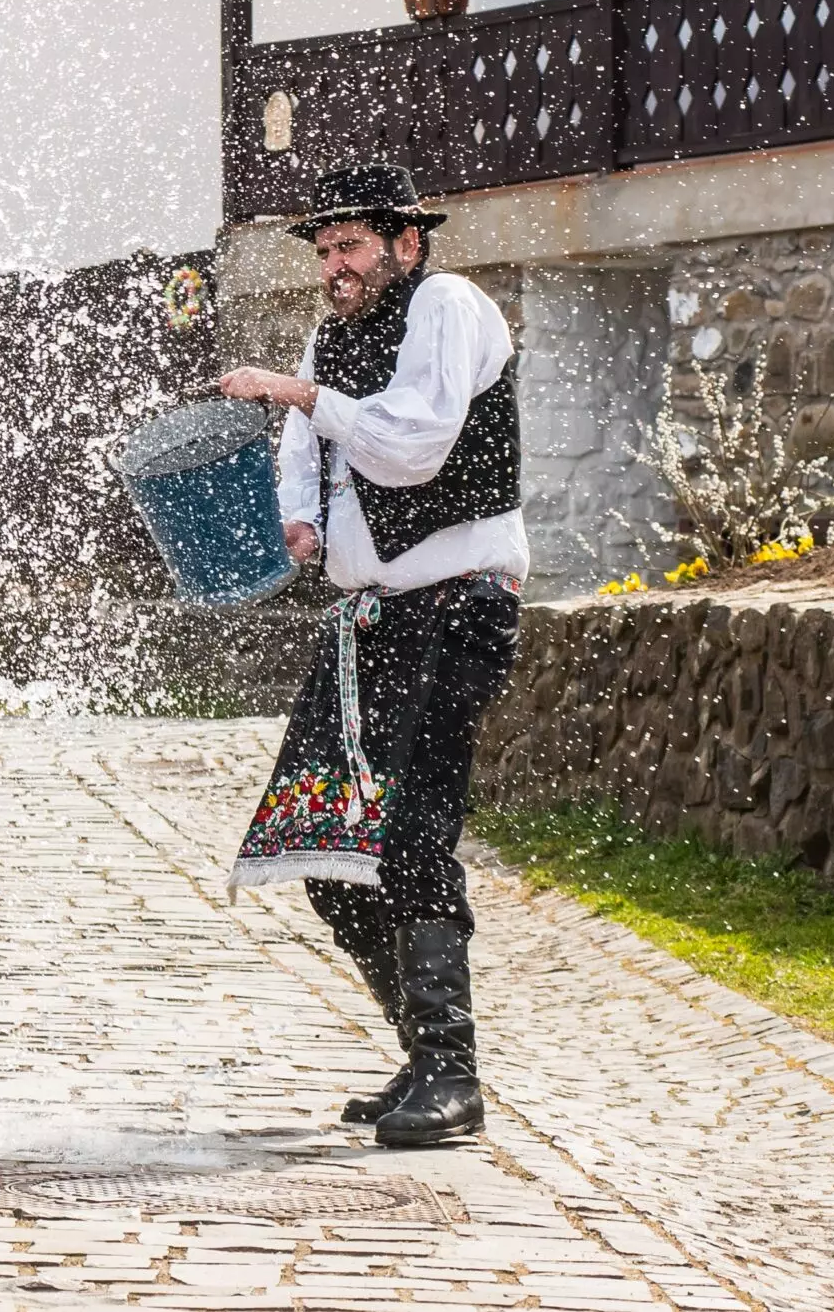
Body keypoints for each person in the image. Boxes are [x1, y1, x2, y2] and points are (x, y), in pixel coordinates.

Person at [216, 162, 524, 1150]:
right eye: (322, 249)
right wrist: (301, 517)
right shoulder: (329, 338)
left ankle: (452, 1072)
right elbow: (302, 450)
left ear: (407, 242)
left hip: (461, 609)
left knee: (413, 836)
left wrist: (305, 392)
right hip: (369, 620)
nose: (333, 266)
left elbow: (415, 445)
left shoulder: (448, 305)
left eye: (349, 246)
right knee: (323, 848)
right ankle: (422, 1054)